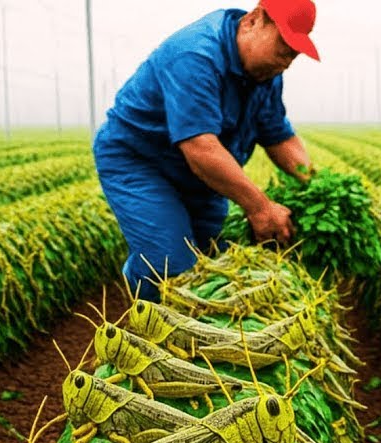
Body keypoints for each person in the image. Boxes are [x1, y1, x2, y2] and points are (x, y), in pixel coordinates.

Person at [93, 0, 320, 302]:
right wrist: (260, 208)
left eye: (295, 52)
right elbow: (201, 148)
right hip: (140, 160)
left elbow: (279, 136)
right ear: (254, 20)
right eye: (285, 44)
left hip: (199, 173)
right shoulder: (195, 55)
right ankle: (146, 321)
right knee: (169, 265)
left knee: (207, 258)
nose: (288, 58)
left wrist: (317, 184)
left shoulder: (266, 74)